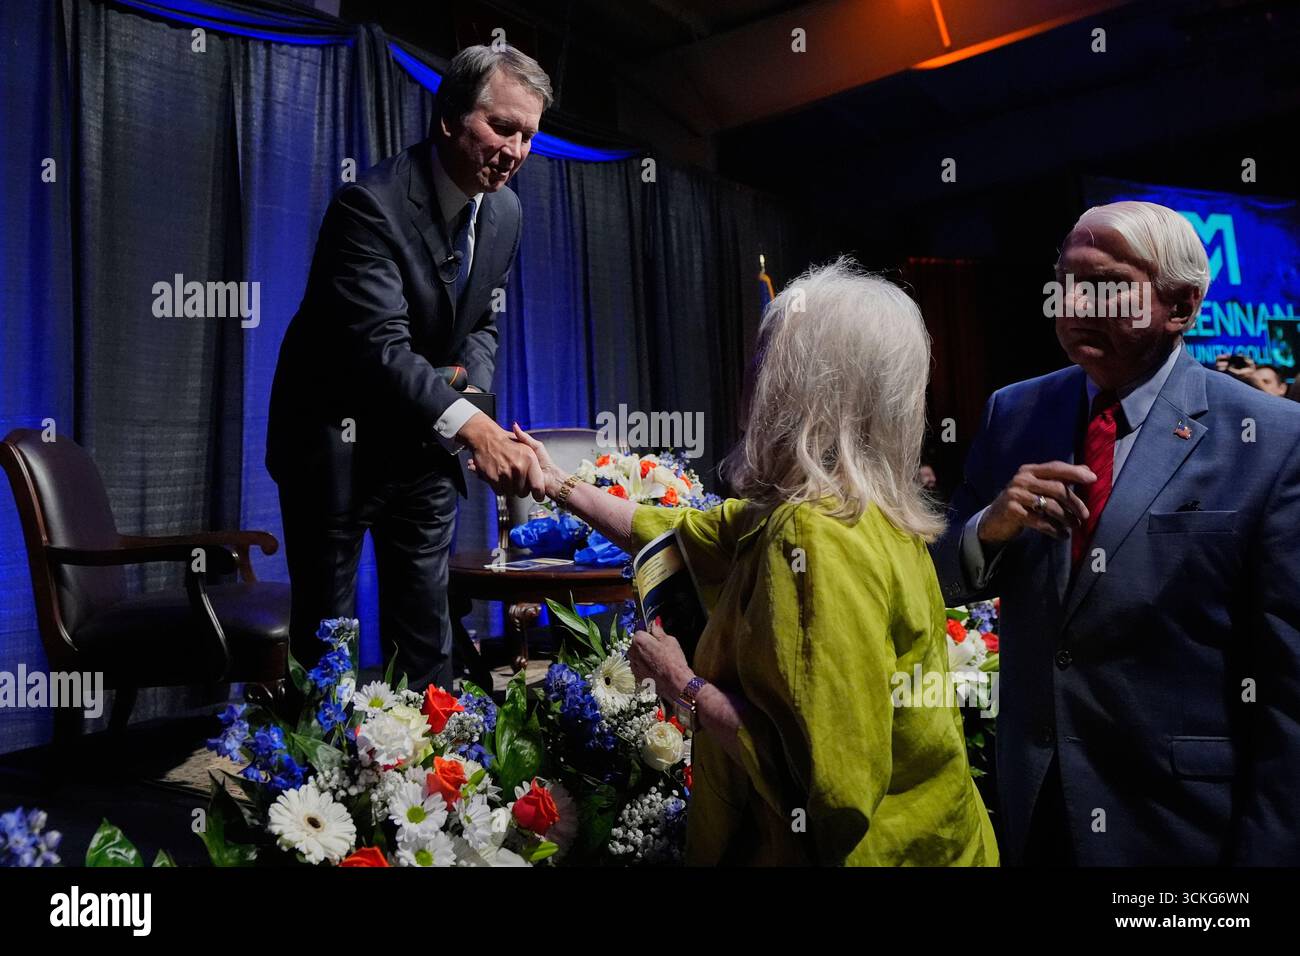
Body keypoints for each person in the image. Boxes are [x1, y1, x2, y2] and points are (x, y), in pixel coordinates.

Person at [502, 259, 998, 866]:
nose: (751, 380)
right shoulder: (857, 505)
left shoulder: (811, 536)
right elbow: (682, 529)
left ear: (800, 384)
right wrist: (555, 483)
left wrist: (681, 681)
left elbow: (828, 788)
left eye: (766, 361)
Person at [932, 201, 1300, 866]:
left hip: (1184, 827)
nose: (1076, 305)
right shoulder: (1013, 411)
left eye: (1106, 285)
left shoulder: (1270, 440)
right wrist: (990, 529)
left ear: (1182, 307)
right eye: (1067, 282)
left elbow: (1288, 689)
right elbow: (937, 572)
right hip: (1034, 807)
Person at [265, 46, 551, 690]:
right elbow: (379, 349)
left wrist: (468, 410)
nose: (513, 149)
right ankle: (324, 786)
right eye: (501, 127)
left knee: (426, 632)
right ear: (450, 117)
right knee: (328, 640)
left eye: (528, 135)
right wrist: (478, 431)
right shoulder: (368, 205)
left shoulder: (505, 212)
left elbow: (481, 322)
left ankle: (432, 782)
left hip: (423, 441)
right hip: (333, 443)